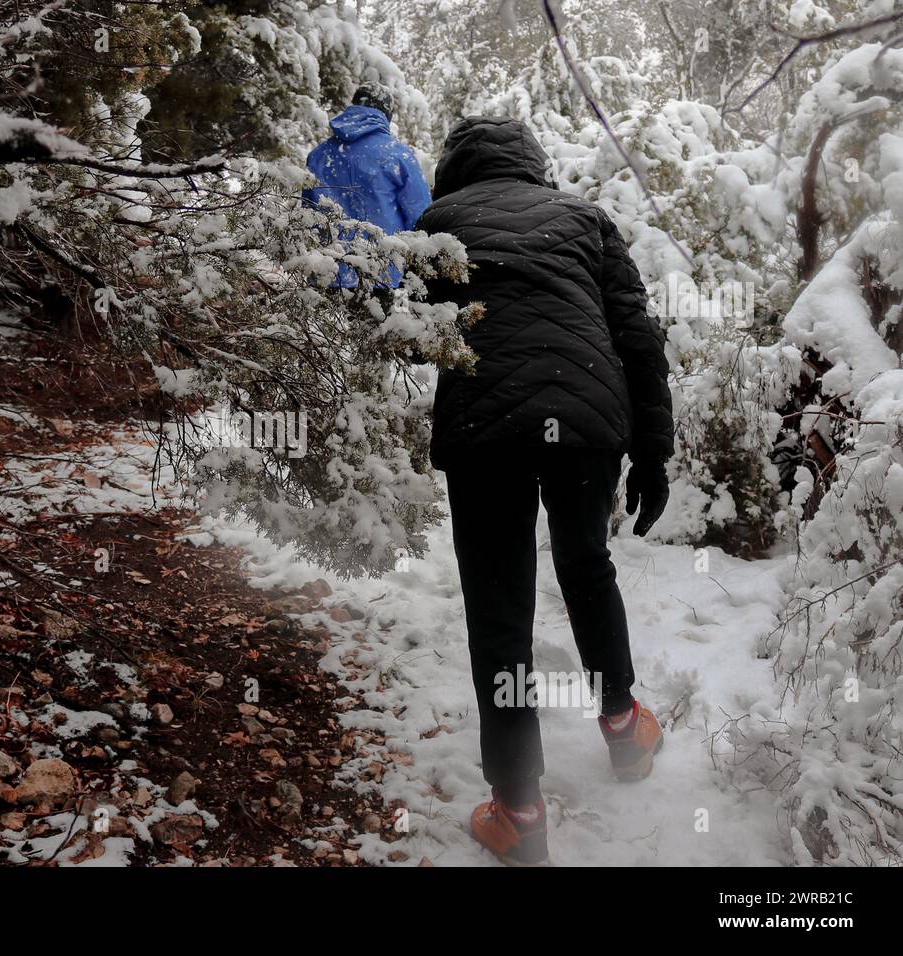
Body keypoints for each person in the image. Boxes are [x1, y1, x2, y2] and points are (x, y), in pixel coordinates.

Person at [415, 116, 674, 866]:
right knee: (587, 567)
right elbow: (639, 338)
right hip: (588, 414)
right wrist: (653, 454)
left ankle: (519, 813)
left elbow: (409, 323)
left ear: (455, 172)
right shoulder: (585, 218)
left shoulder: (439, 222)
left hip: (484, 425)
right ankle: (625, 728)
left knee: (501, 616)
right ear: (533, 167)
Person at [303, 83, 431, 288]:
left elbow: (305, 217)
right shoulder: (398, 154)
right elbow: (421, 218)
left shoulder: (319, 155)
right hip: (383, 276)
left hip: (326, 276)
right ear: (386, 115)